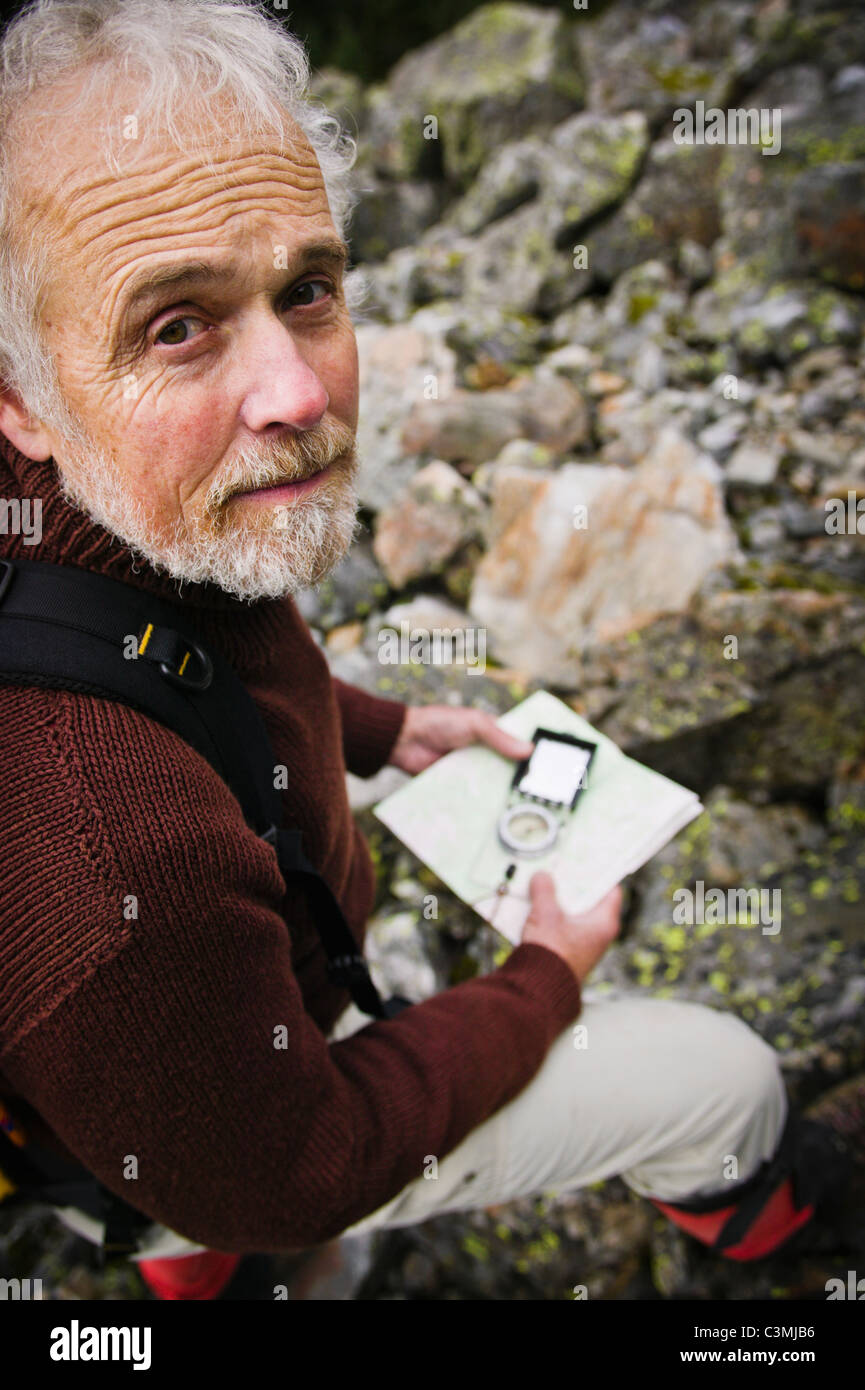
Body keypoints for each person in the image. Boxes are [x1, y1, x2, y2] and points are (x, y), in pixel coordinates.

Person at [0, 0, 857, 1302]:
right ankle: (778, 1230)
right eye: (176, 325)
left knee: (206, 1178)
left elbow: (157, 641)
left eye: (307, 287)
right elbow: (298, 1157)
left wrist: (382, 729)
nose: (298, 392)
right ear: (20, 397)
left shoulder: (89, 483)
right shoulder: (97, 849)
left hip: (177, 1063)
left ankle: (209, 1268)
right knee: (718, 1074)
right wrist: (544, 976)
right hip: (205, 1122)